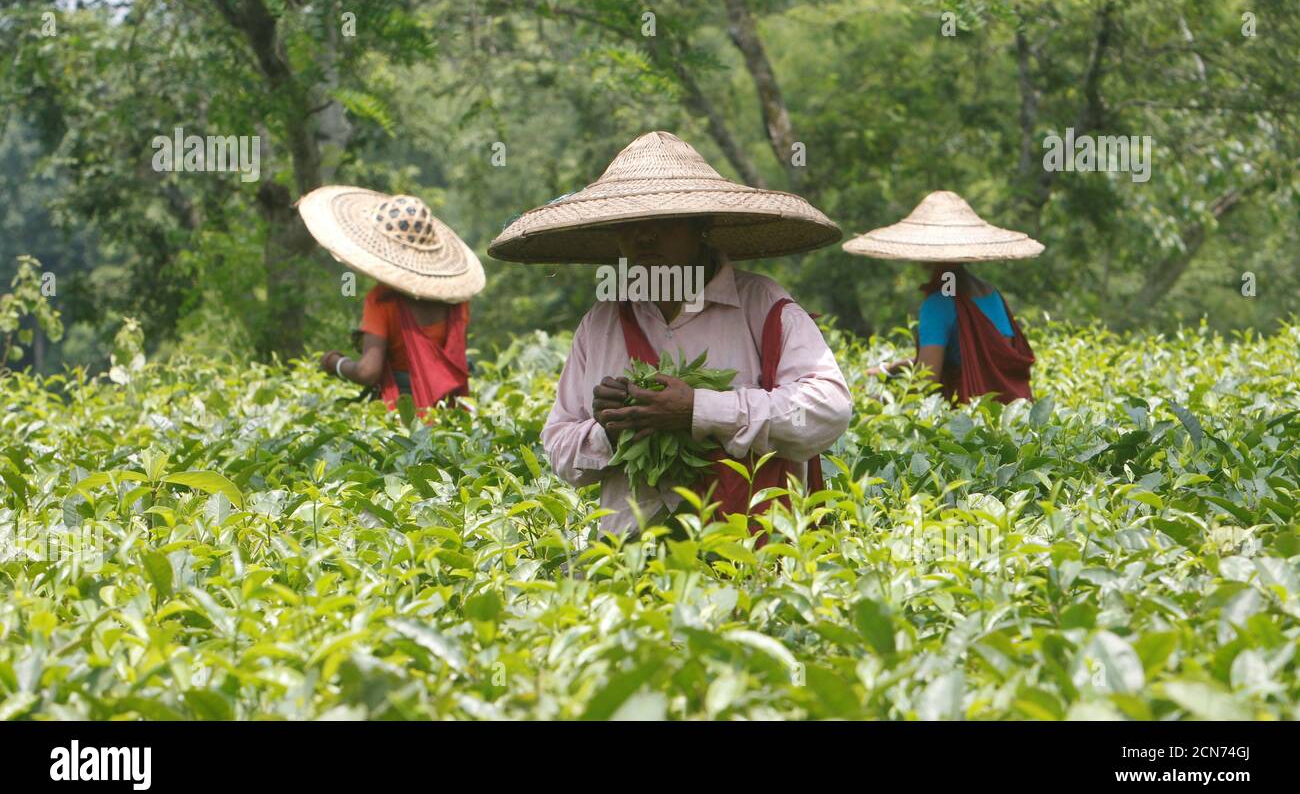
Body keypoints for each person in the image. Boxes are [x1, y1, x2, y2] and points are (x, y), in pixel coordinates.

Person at [489, 131, 852, 541]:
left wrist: (700, 409)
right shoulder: (601, 323)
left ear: (701, 226)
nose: (644, 237)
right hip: (631, 558)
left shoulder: (761, 305)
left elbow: (828, 409)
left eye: (662, 222)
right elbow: (558, 448)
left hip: (749, 556)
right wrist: (608, 430)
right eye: (628, 225)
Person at [842, 190, 1042, 404]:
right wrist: (890, 369)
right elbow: (970, 359)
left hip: (970, 422)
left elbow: (927, 382)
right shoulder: (991, 293)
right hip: (1015, 413)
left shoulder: (938, 303)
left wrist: (880, 401)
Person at [296, 186, 485, 410]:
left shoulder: (382, 302)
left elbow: (368, 372)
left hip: (402, 414)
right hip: (451, 410)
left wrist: (335, 363)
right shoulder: (456, 300)